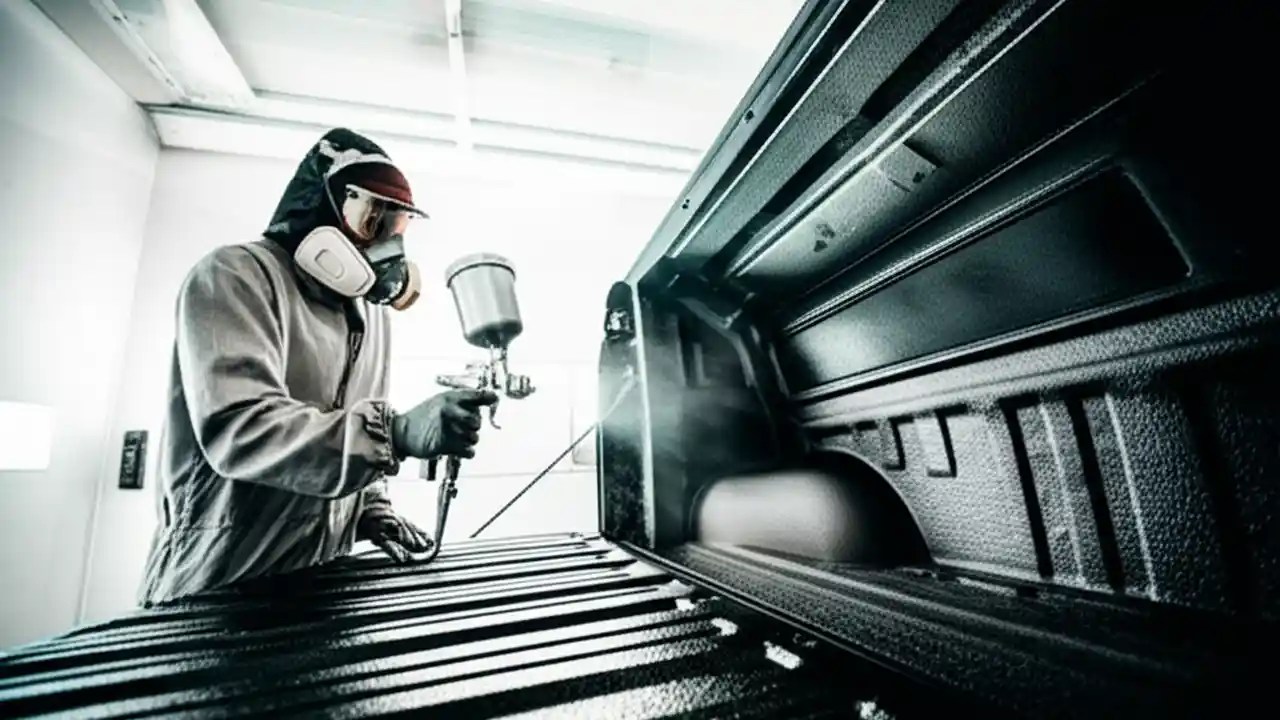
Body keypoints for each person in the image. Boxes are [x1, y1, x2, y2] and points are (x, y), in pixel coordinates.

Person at [138, 128, 496, 606]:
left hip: (317, 584)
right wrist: (397, 434)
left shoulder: (372, 315)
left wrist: (370, 508)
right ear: (319, 208)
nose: (388, 246)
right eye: (373, 220)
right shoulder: (236, 277)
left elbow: (348, 432)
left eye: (397, 227)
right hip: (218, 580)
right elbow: (242, 429)